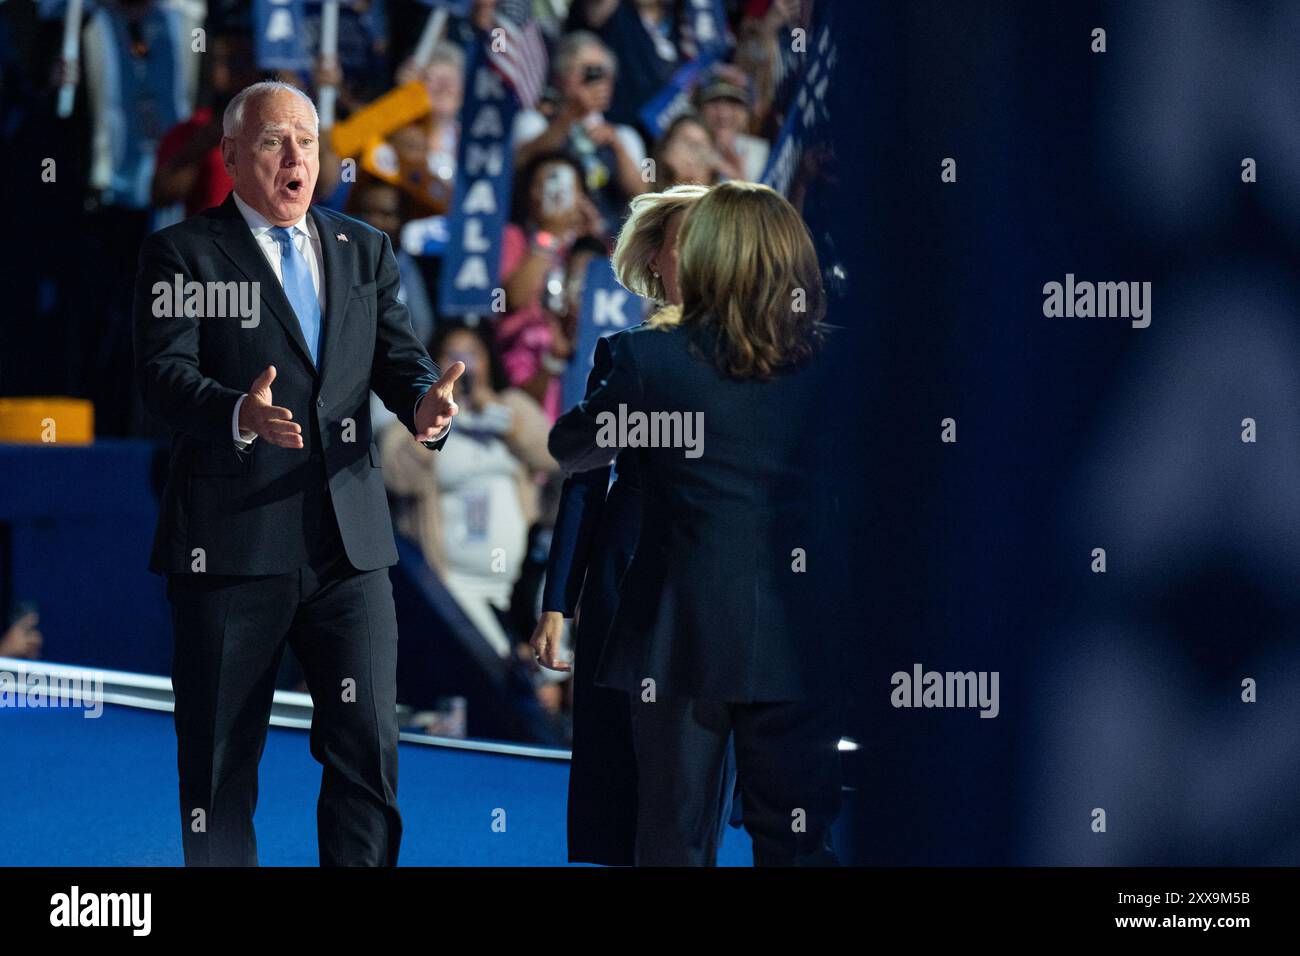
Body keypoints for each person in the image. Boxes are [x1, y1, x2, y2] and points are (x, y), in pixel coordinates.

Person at [132, 80, 463, 867]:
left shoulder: (363, 250)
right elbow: (160, 378)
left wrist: (423, 406)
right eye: (276, 141)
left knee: (368, 752)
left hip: (350, 550)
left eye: (308, 142)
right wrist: (237, 414)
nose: (296, 158)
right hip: (232, 549)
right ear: (235, 155)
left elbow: (401, 365)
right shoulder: (183, 254)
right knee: (218, 770)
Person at [547, 181, 841, 866]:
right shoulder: (834, 361)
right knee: (798, 842)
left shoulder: (649, 360)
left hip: (679, 637)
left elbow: (572, 450)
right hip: (806, 635)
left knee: (673, 838)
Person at [531, 184, 739, 865]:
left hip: (719, 591)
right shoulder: (626, 354)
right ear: (655, 260)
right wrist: (559, 601)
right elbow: (584, 478)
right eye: (686, 243)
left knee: (691, 790)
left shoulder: (759, 355)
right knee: (628, 785)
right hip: (629, 582)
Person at [380, 323, 558, 661]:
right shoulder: (413, 417)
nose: (465, 364)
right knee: (487, 673)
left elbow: (551, 454)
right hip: (450, 585)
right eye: (453, 355)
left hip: (512, 587)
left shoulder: (511, 405)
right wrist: (432, 421)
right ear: (433, 361)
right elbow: (394, 474)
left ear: (489, 360)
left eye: (473, 354)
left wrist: (498, 414)